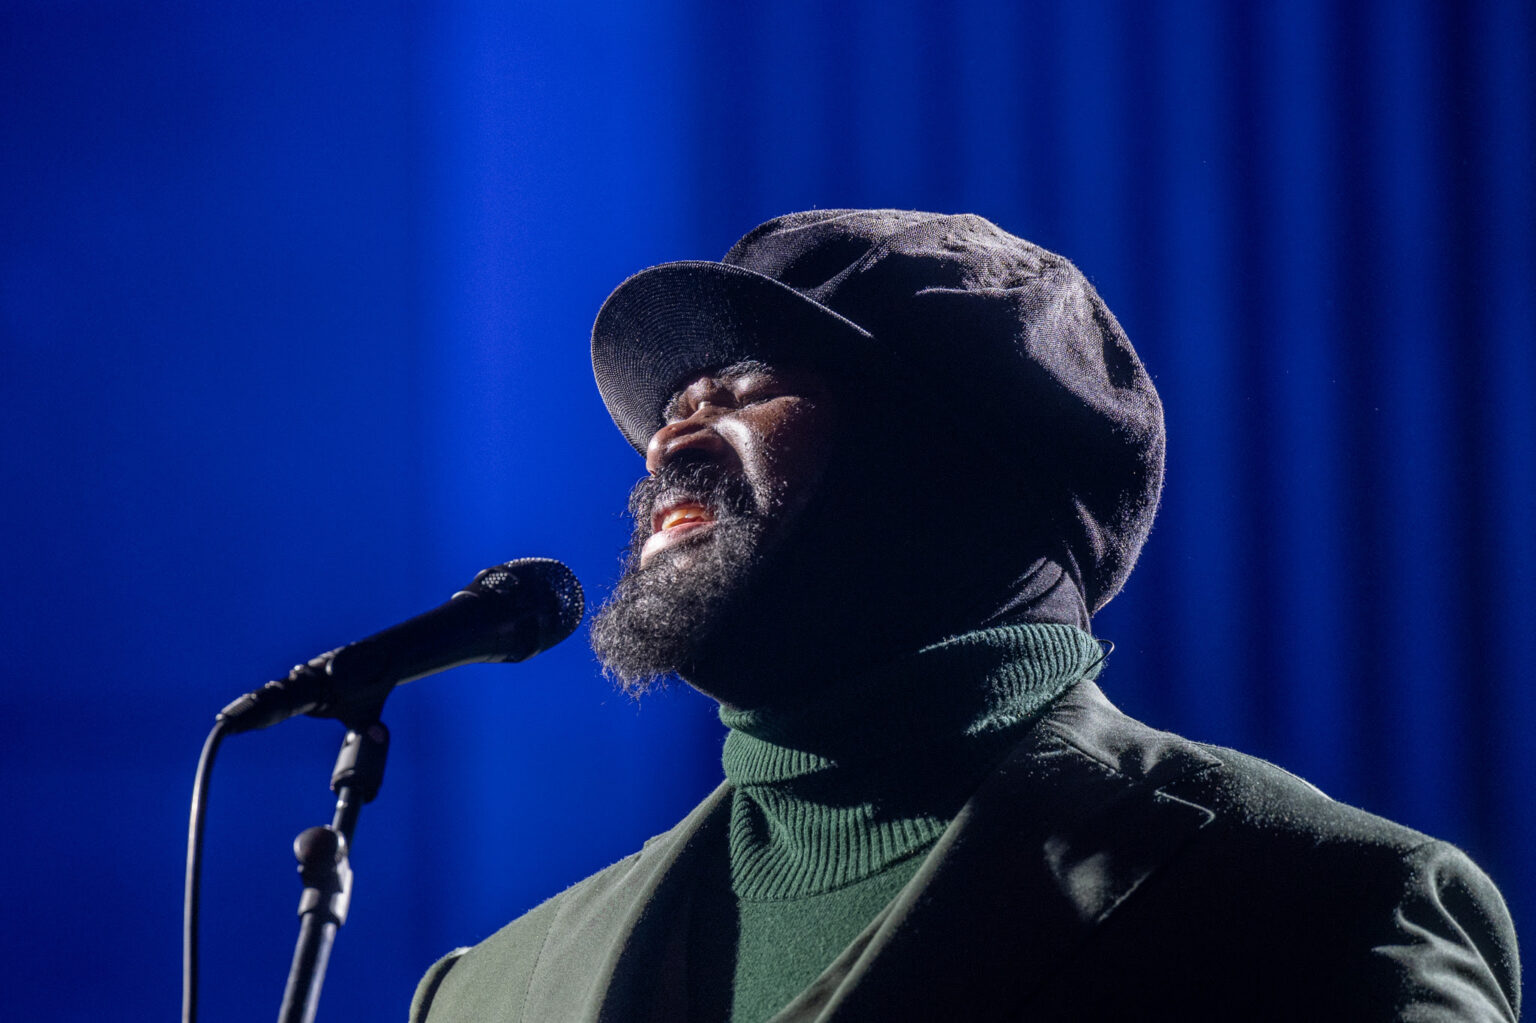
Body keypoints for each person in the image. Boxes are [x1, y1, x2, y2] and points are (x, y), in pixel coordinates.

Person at [410, 210, 1520, 1022]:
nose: (671, 439)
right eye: (674, 406)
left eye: (745, 388)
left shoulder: (1312, 910)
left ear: (952, 466)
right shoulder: (489, 995)